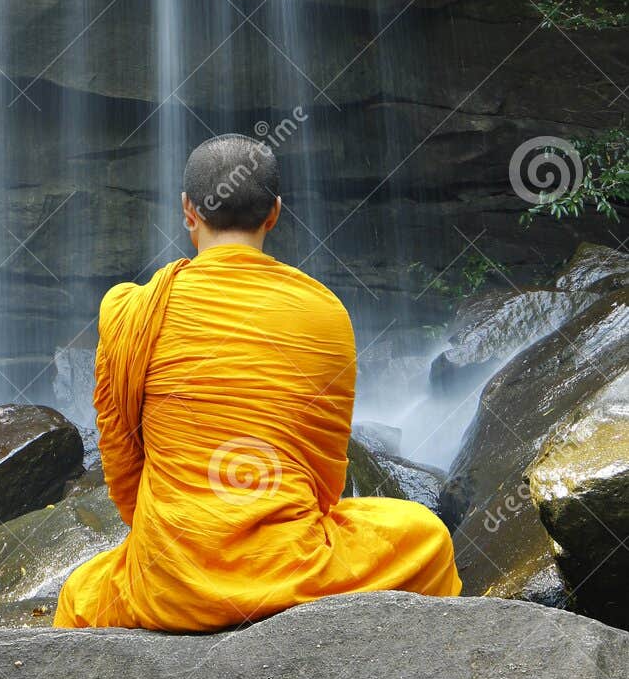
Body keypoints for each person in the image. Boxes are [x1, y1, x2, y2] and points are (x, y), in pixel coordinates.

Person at [55, 134, 461, 630]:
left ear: (187, 210)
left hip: (171, 584)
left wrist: (182, 530)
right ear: (274, 213)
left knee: (79, 594)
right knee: (425, 534)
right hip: (292, 568)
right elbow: (324, 481)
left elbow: (124, 474)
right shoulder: (323, 312)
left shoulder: (130, 312)